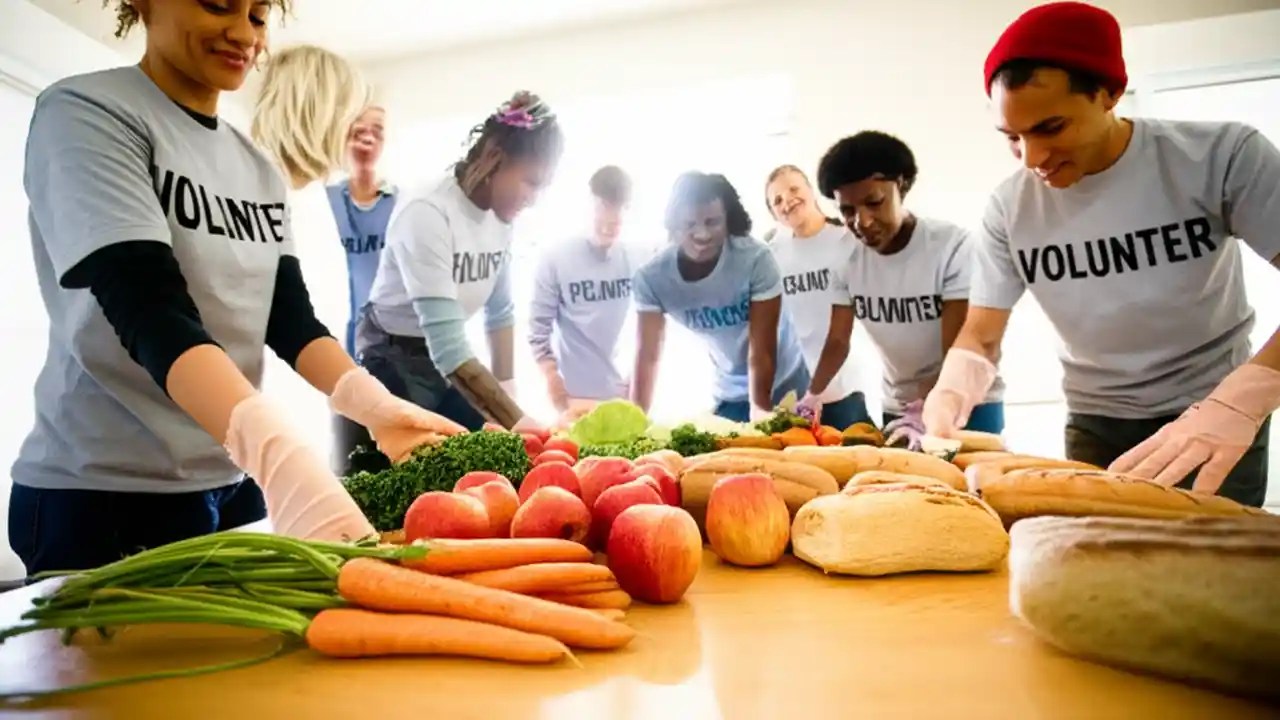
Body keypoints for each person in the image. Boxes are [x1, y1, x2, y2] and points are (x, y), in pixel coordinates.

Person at [9, 1, 459, 576]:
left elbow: (290, 321)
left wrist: (370, 404)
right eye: (219, 4)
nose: (244, 33)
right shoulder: (89, 112)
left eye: (258, 15)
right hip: (105, 493)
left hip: (230, 481)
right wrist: (278, 451)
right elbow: (150, 310)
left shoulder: (256, 169)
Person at [921, 1, 1280, 506]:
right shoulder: (1009, 207)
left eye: (1051, 128)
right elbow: (981, 335)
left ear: (1109, 93)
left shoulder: (1220, 157)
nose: (1032, 159)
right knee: (1098, 573)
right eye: (1012, 138)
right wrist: (953, 390)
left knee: (1215, 576)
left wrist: (1245, 400)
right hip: (1094, 423)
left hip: (1210, 416)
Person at [359, 92, 564, 431]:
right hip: (392, 355)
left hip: (445, 357)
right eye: (531, 182)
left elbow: (500, 313)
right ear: (495, 158)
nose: (534, 199)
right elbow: (449, 347)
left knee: (495, 445)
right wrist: (516, 420)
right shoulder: (428, 213)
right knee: (428, 455)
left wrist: (510, 394)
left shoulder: (502, 216)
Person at [799, 132, 1006, 447]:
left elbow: (959, 343)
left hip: (966, 401)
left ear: (903, 185)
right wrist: (813, 394)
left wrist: (930, 404)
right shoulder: (845, 259)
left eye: (873, 202)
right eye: (848, 210)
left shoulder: (952, 247)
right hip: (899, 406)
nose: (862, 221)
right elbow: (838, 340)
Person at [631, 171, 810, 423]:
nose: (702, 234)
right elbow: (647, 356)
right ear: (673, 224)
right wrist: (635, 421)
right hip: (729, 392)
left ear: (728, 220)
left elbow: (761, 351)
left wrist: (760, 410)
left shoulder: (756, 259)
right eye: (690, 224)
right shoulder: (652, 278)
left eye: (712, 222)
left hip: (788, 382)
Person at [763, 164, 873, 430]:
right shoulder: (770, 253)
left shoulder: (848, 240)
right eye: (777, 200)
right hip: (794, 392)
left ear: (811, 192)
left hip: (843, 388)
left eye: (793, 189)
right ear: (774, 214)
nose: (787, 201)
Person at [529, 165, 637, 423]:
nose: (608, 230)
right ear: (590, 206)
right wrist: (552, 379)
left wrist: (638, 381)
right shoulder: (555, 258)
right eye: (602, 222)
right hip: (573, 400)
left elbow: (651, 326)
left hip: (624, 399)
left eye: (616, 224)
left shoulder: (635, 258)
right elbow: (538, 331)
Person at [325, 105, 397, 474]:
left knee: (394, 464)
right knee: (349, 468)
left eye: (378, 130)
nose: (368, 135)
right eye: (359, 127)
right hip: (338, 360)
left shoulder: (399, 206)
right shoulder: (324, 202)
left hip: (393, 361)